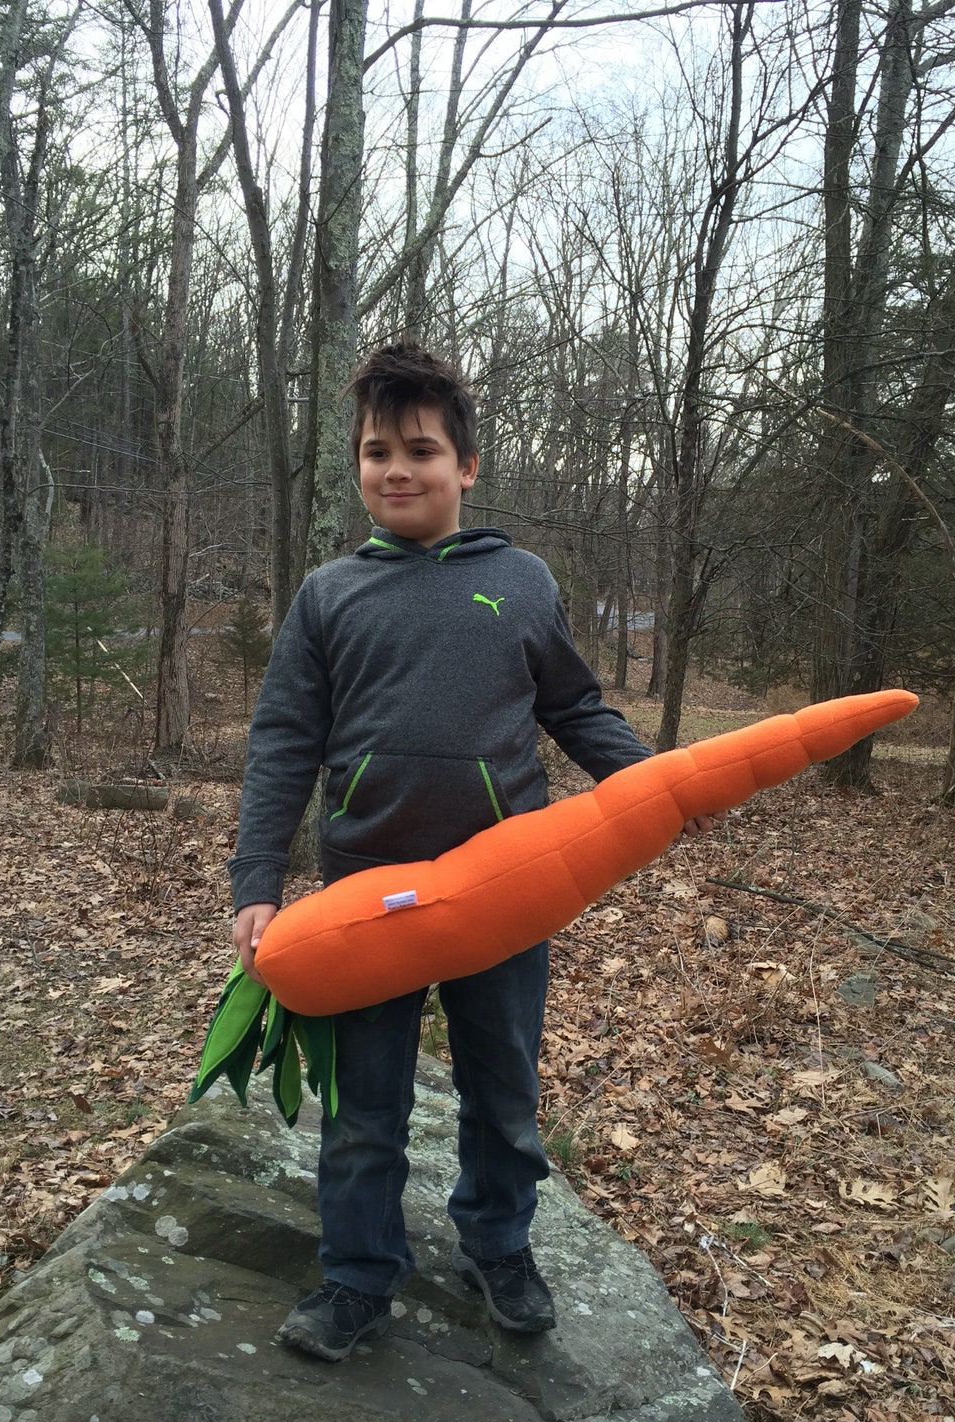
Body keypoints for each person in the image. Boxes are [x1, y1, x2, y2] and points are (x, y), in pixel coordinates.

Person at [228, 342, 717, 1361]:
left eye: (421, 449)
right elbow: (283, 741)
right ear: (355, 465)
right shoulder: (329, 595)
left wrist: (654, 784)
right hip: (369, 894)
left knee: (504, 1087)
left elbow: (574, 703)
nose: (396, 469)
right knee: (365, 1106)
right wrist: (257, 883)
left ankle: (500, 1243)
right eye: (376, 451)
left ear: (468, 466)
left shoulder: (523, 580)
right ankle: (359, 1272)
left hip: (507, 889)